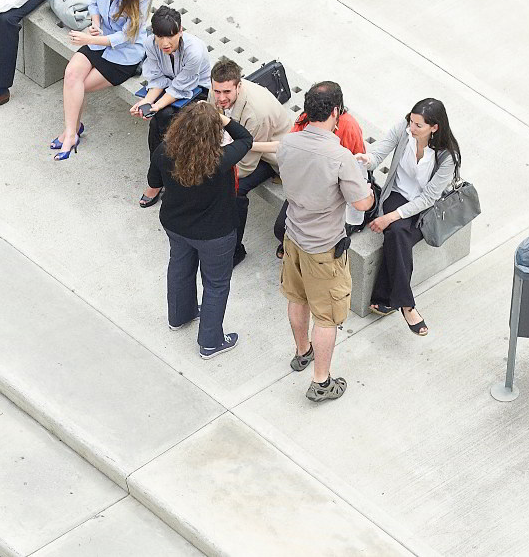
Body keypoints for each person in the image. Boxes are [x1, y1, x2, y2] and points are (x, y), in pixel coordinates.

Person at [275, 81, 375, 403]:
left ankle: (301, 352)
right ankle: (321, 382)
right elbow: (362, 204)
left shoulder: (288, 143)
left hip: (293, 237)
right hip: (324, 249)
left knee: (296, 298)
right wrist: (365, 183)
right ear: (336, 111)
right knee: (327, 317)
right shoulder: (339, 155)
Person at [150, 102, 253, 359]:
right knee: (216, 285)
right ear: (213, 132)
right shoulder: (220, 159)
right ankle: (210, 342)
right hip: (214, 234)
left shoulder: (164, 151)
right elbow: (246, 138)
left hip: (175, 224)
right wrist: (222, 118)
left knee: (179, 268)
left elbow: (153, 182)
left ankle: (180, 316)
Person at [356, 98, 461, 336]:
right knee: (399, 233)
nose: (411, 128)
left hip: (425, 206)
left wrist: (390, 217)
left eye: (418, 125)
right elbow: (380, 151)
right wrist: (367, 159)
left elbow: (428, 199)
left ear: (434, 128)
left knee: (396, 231)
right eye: (411, 121)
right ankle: (406, 304)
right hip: (398, 194)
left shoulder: (447, 158)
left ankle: (389, 297)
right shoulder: (404, 130)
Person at [53, 0, 152, 160]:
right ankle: (71, 132)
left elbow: (127, 36)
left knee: (80, 86)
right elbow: (94, 4)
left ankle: (72, 132)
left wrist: (90, 38)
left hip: (124, 55)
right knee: (71, 75)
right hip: (99, 40)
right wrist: (96, 24)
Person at [208, 57, 292, 265]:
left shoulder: (255, 114)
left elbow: (245, 166)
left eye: (227, 92)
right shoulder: (215, 93)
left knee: (235, 189)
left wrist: (213, 171)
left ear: (239, 85)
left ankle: (235, 250)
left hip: (269, 154)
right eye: (217, 91)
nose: (220, 98)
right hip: (241, 142)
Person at [133, 6, 211, 208]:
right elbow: (156, 77)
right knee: (160, 120)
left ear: (180, 31)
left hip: (196, 90)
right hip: (169, 86)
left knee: (164, 119)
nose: (164, 43)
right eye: (160, 36)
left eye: (171, 36)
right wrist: (147, 102)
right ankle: (163, 179)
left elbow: (181, 87)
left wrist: (156, 106)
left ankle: (157, 181)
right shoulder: (151, 44)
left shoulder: (194, 50)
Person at [270, 100, 369, 252]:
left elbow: (358, 164)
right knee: (280, 228)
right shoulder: (305, 119)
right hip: (306, 182)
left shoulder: (348, 126)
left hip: (335, 188)